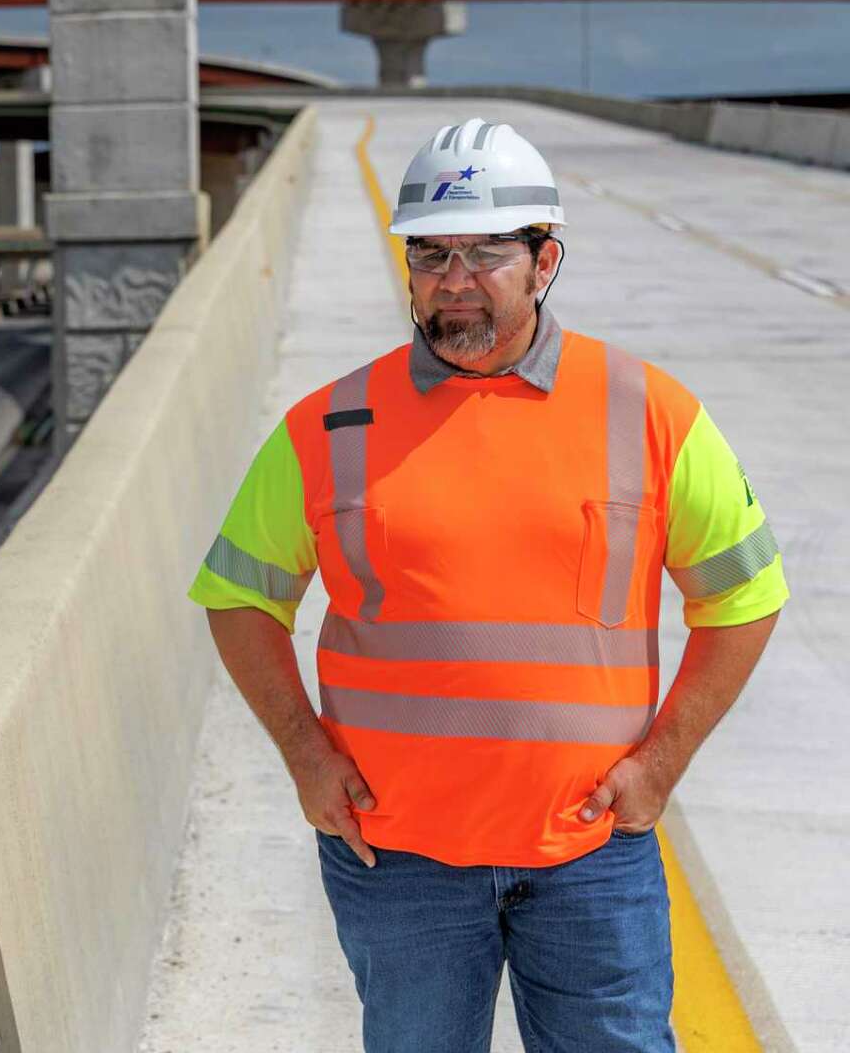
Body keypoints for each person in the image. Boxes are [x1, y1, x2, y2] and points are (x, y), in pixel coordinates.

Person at [187, 118, 786, 1052]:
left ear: (545, 261)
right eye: (430, 255)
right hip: (399, 862)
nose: (452, 281)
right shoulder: (333, 423)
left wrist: (658, 766)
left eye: (484, 252)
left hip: (590, 855)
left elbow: (744, 599)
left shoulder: (648, 411)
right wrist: (306, 755)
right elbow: (238, 596)